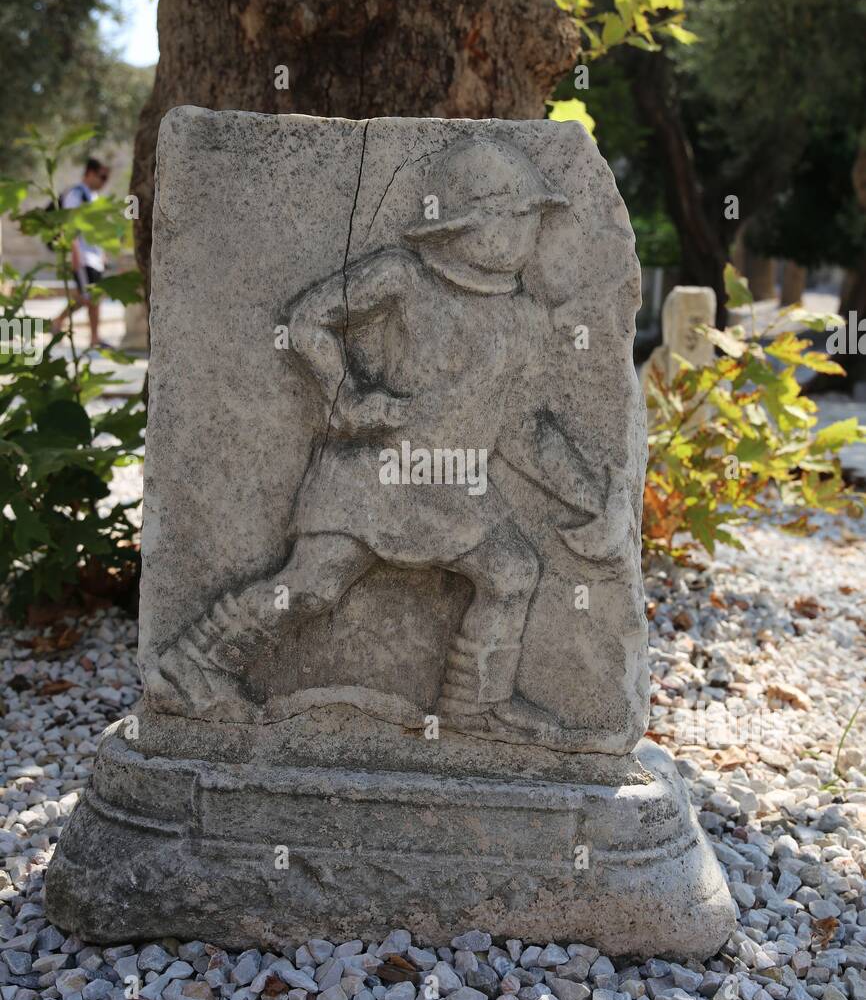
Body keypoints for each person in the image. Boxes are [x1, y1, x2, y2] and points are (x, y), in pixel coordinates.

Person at [149, 138, 625, 747]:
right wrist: (342, 397)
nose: (529, 234)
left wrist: (586, 495)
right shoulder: (402, 277)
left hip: (453, 481)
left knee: (511, 570)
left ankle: (476, 705)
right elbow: (308, 319)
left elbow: (520, 430)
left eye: (534, 221)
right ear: (464, 224)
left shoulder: (525, 319)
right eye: (516, 218)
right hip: (369, 474)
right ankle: (191, 665)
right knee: (316, 583)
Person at [51, 157, 110, 349]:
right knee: (87, 297)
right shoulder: (75, 194)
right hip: (82, 255)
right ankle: (59, 321)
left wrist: (103, 253)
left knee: (94, 297)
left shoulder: (95, 198)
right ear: (90, 173)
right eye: (102, 176)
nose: (105, 181)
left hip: (95, 256)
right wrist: (75, 253)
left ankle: (94, 337)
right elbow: (70, 225)